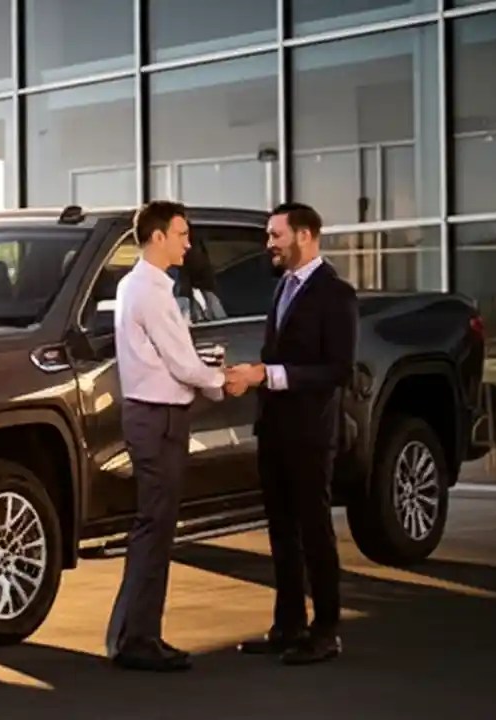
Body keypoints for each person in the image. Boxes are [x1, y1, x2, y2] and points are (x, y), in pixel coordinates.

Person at [223, 202, 358, 666]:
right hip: (275, 430)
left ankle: (326, 631)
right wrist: (253, 375)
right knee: (281, 530)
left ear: (304, 235)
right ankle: (288, 626)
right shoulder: (283, 286)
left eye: (275, 235)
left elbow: (337, 370)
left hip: (310, 434)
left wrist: (268, 375)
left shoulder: (336, 294)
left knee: (314, 531)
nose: (269, 244)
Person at [105, 200, 227, 673]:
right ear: (157, 237)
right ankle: (137, 640)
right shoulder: (151, 292)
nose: (188, 244)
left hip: (152, 416)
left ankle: (133, 635)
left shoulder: (138, 285)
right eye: (181, 234)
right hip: (158, 420)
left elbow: (171, 357)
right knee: (155, 527)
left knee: (154, 526)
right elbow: (181, 362)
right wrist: (222, 381)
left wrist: (206, 372)